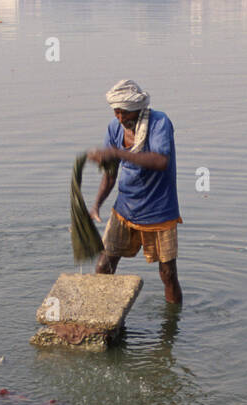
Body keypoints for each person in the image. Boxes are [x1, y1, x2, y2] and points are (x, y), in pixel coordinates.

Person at [87, 80, 182, 304]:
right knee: (104, 265)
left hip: (159, 210)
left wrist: (119, 154)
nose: (120, 118)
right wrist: (97, 204)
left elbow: (160, 161)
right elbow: (110, 174)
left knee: (167, 273)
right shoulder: (114, 128)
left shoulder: (159, 123)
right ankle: (102, 310)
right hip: (125, 209)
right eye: (116, 113)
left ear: (137, 109)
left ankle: (171, 328)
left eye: (124, 113)